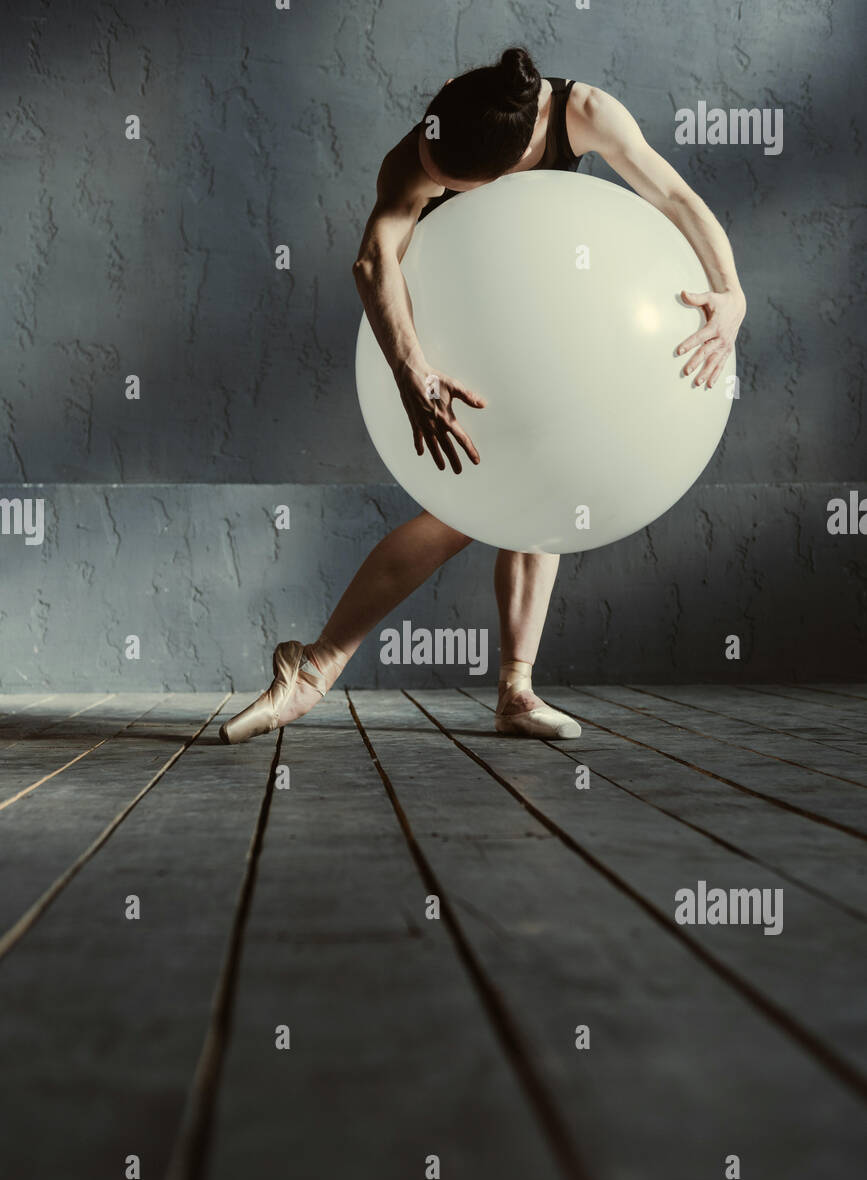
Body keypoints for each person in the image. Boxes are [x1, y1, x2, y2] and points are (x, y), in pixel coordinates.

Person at [220, 47, 746, 746]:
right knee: (472, 507)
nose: (429, 178)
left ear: (508, 172)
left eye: (452, 186)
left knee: (539, 497)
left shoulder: (585, 115)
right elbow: (375, 257)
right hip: (466, 328)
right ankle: (326, 668)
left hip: (569, 319)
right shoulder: (425, 145)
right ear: (438, 100)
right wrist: (413, 371)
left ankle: (401, 679)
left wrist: (732, 294)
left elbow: (675, 199)